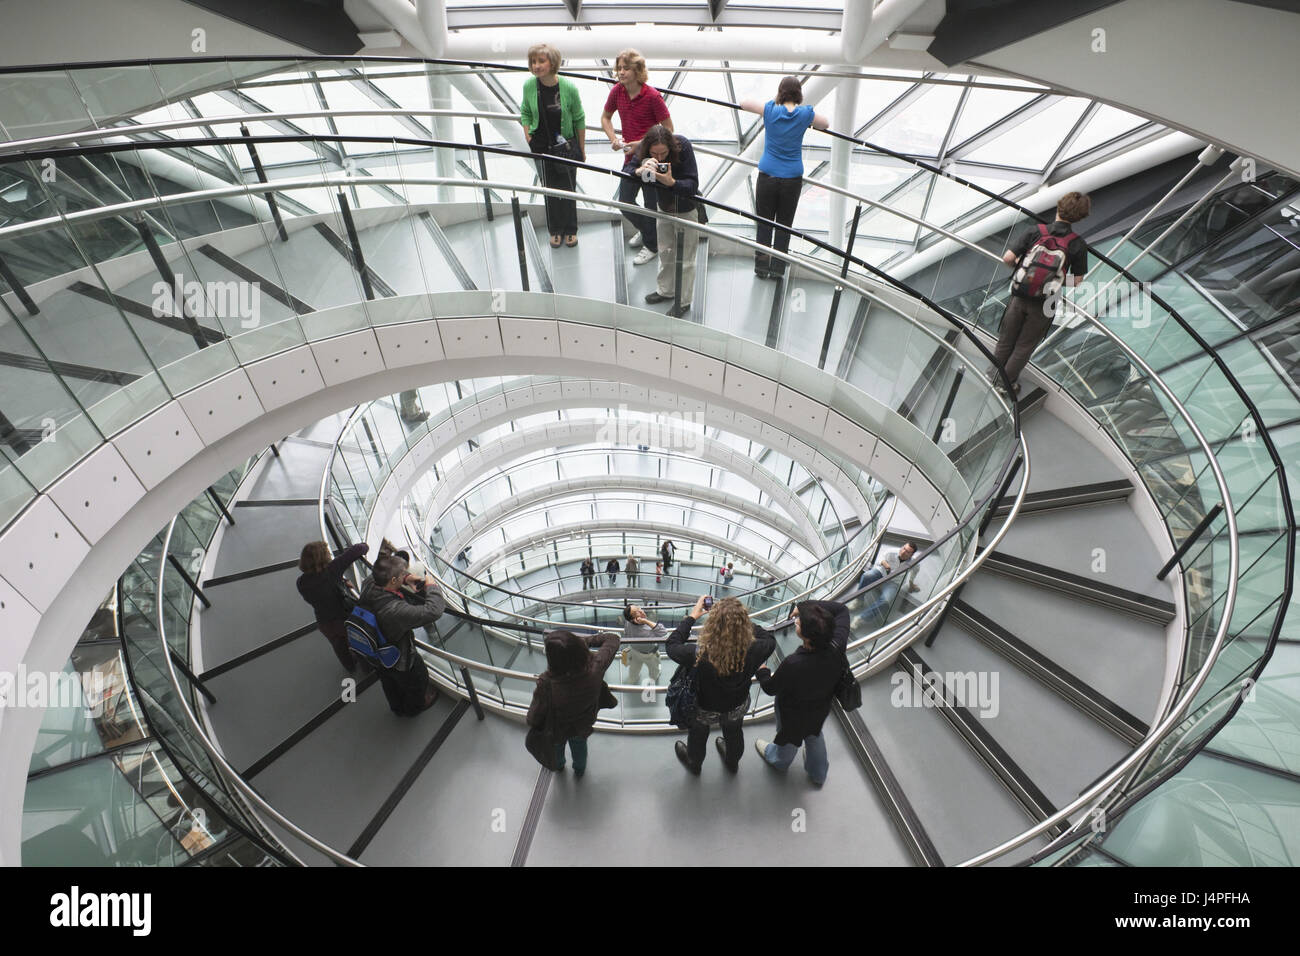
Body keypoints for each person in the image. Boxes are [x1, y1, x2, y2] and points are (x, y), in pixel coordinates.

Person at [991, 191, 1091, 396]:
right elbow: (1077, 281)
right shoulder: (1078, 244)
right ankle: (1004, 384)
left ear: (1058, 207)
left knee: (1006, 339)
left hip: (1020, 294)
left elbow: (1008, 258)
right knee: (1024, 346)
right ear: (1080, 218)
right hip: (1046, 302)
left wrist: (1026, 272)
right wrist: (1053, 281)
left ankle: (991, 375)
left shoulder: (1035, 231)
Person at [666, 595, 775, 774]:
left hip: (704, 708)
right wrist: (738, 621)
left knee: (698, 736)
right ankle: (732, 763)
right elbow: (769, 637)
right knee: (734, 733)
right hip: (737, 704)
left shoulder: (699, 654)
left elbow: (671, 645)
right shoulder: (757, 648)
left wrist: (692, 616)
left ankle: (695, 764)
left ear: (713, 624)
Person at [740, 77, 829, 279]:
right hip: (792, 178)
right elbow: (825, 123)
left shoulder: (770, 110)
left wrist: (776, 100)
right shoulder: (805, 114)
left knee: (764, 224)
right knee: (784, 225)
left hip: (768, 176)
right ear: (799, 94)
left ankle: (761, 268)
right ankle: (777, 270)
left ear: (780, 92)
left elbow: (743, 103)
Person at [754, 600, 849, 786]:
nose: (796, 620)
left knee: (789, 738)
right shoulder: (837, 644)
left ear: (807, 636)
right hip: (821, 706)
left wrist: (762, 671)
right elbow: (842, 609)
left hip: (793, 713)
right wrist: (804, 607)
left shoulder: (794, 663)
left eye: (799, 622)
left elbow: (770, 688)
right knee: (814, 735)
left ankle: (779, 760)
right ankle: (818, 773)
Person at [600, 49, 672, 266]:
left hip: (651, 160)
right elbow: (605, 117)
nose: (621, 72)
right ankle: (648, 231)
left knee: (650, 204)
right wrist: (613, 139)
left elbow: (668, 129)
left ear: (638, 71)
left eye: (626, 68)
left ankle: (652, 245)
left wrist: (640, 144)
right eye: (619, 68)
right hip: (630, 160)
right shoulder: (618, 92)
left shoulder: (652, 96)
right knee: (625, 201)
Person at [356, 553, 445, 716]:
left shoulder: (369, 583)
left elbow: (381, 578)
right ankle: (414, 708)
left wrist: (406, 579)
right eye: (402, 574)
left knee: (388, 681)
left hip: (376, 651)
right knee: (417, 679)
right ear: (393, 580)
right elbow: (434, 611)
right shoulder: (394, 610)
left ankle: (396, 706)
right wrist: (432, 586)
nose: (405, 574)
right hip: (398, 655)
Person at [527, 629, 620, 776]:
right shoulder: (596, 668)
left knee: (557, 747)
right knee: (579, 746)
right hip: (582, 724)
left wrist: (534, 722)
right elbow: (613, 639)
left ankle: (559, 765)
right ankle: (579, 769)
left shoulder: (546, 683)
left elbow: (534, 716)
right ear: (579, 649)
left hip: (557, 728)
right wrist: (584, 641)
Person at [519, 42, 586, 247]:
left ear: (553, 63)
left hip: (565, 147)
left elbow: (579, 118)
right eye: (533, 61)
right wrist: (528, 137)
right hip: (541, 146)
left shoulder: (568, 87)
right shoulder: (529, 86)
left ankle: (571, 229)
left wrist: (582, 149)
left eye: (541, 61)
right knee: (549, 189)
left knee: (568, 188)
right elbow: (525, 112)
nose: (536, 65)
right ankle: (555, 229)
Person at [636, 125, 702, 319]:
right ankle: (666, 290)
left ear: (671, 148)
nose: (659, 158)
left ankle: (683, 301)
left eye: (663, 153)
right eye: (654, 154)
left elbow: (692, 184)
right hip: (663, 208)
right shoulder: (646, 151)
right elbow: (630, 168)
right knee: (665, 252)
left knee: (686, 259)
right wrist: (640, 169)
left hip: (686, 210)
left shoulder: (683, 146)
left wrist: (671, 182)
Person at [295, 540, 369, 673]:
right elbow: (360, 548)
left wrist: (341, 582)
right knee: (357, 644)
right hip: (343, 618)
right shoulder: (332, 569)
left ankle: (350, 666)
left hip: (324, 622)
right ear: (324, 556)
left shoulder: (301, 582)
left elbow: (319, 592)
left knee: (339, 646)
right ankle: (367, 668)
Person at [859, 542, 921, 624]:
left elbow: (914, 572)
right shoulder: (892, 551)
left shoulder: (914, 562)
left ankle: (862, 618)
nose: (903, 552)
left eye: (907, 552)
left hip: (894, 582)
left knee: (886, 600)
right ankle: (859, 600)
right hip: (882, 573)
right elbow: (880, 558)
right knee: (866, 576)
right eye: (904, 548)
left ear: (911, 555)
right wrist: (885, 563)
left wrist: (911, 583)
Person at [622, 604, 665, 687]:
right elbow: (663, 632)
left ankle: (633, 680)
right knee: (654, 672)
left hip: (634, 651)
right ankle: (653, 680)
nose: (641, 611)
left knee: (633, 671)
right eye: (636, 612)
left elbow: (626, 634)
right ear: (634, 619)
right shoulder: (648, 629)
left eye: (638, 608)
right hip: (650, 655)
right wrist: (646, 621)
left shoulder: (628, 622)